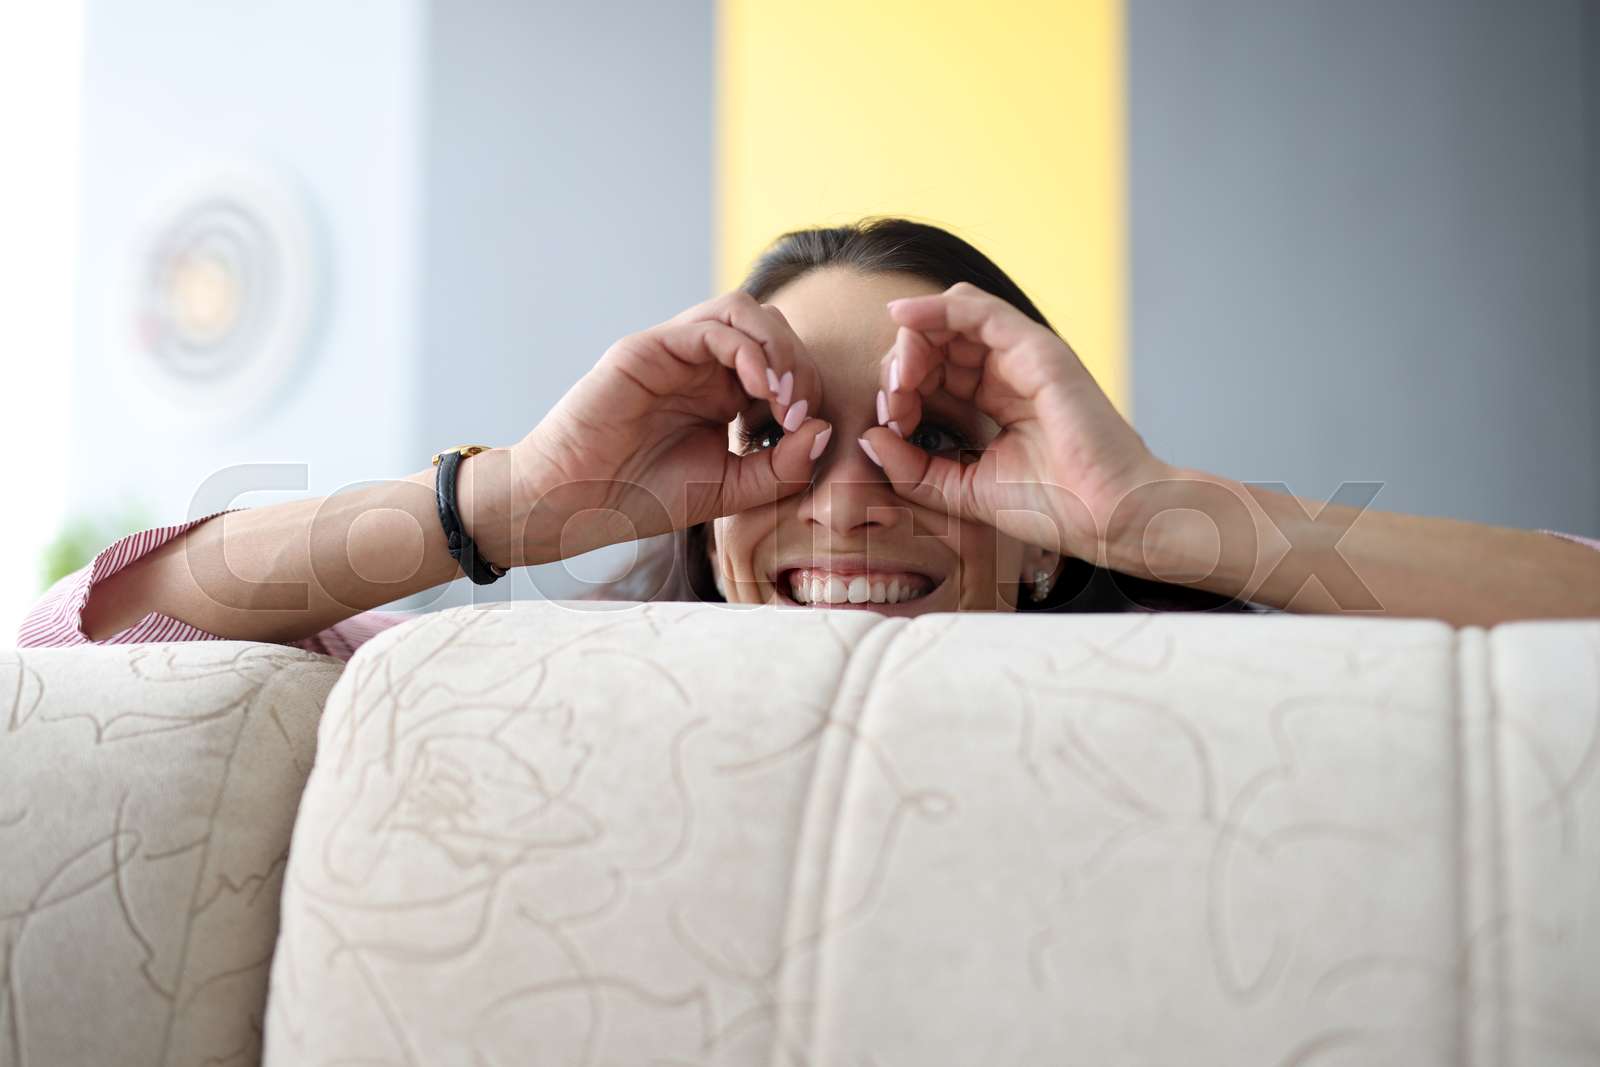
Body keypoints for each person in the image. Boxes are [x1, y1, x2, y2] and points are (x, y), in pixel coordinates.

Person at [18, 218, 1600, 662]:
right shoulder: (565, 714)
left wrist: (1170, 515)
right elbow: (91, 638)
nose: (848, 495)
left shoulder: (1215, 708)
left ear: (1051, 540)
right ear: (706, 521)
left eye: (938, 436)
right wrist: (509, 498)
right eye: (768, 435)